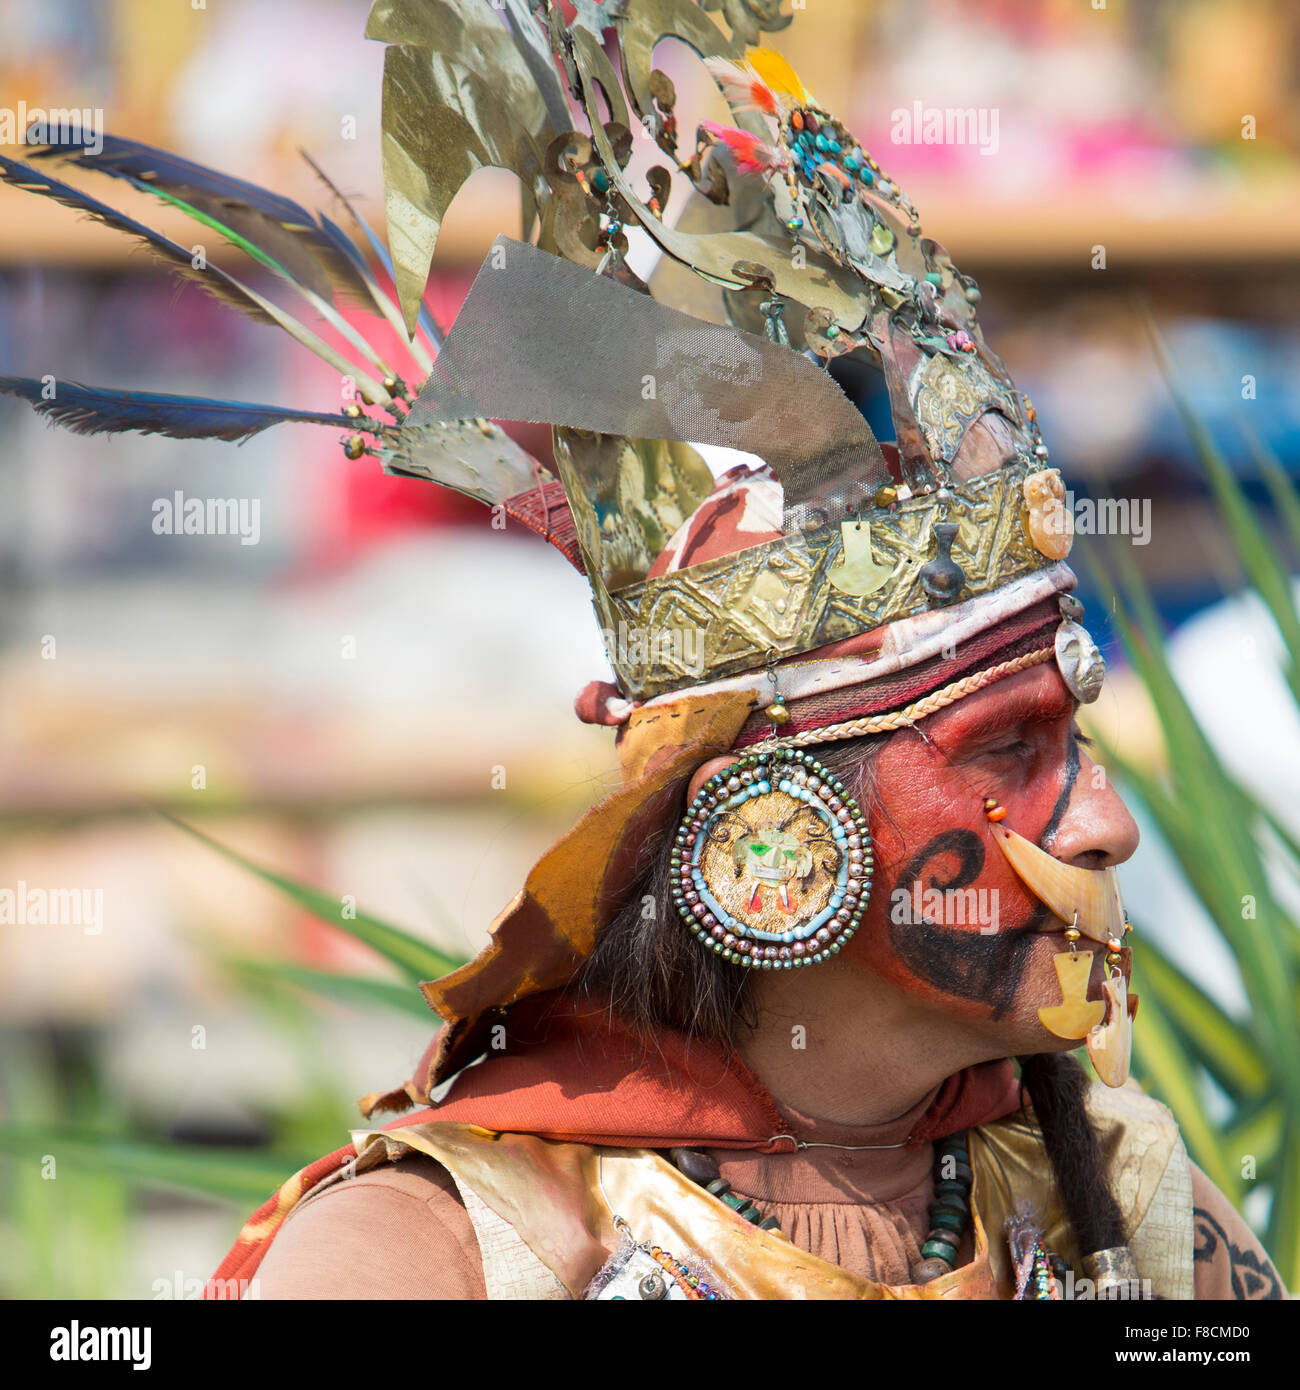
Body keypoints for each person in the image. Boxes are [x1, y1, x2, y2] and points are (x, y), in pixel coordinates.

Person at [0, 1, 1284, 1300]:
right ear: (769, 831)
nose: (1108, 824)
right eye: (1010, 745)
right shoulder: (441, 1256)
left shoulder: (1132, 1205)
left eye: (1075, 734)